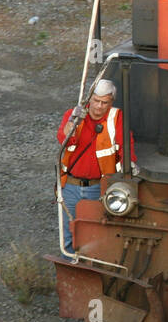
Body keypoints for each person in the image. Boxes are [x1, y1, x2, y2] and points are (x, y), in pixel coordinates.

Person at [57, 79, 133, 251]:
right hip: (70, 186)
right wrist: (72, 125)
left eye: (104, 102)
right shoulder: (73, 115)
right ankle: (70, 270)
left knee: (96, 234)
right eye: (96, 101)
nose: (99, 106)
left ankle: (90, 269)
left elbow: (126, 145)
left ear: (111, 102)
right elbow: (63, 140)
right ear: (89, 99)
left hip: (98, 187)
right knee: (69, 234)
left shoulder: (116, 118)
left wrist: (130, 165)